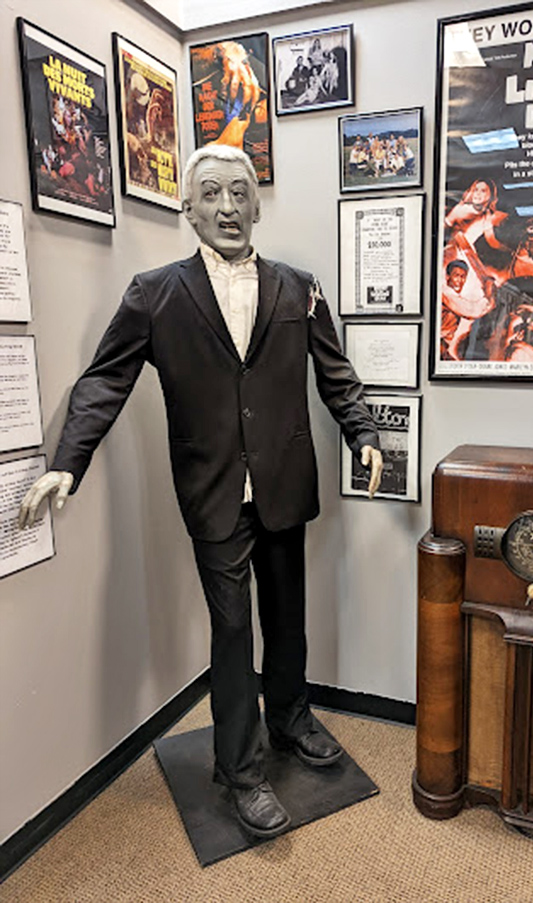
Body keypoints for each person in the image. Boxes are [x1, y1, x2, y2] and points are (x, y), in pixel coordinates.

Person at [18, 145, 383, 841]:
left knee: (288, 613)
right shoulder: (154, 293)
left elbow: (337, 375)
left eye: (240, 193)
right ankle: (240, 771)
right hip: (212, 487)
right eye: (210, 194)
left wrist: (363, 431)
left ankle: (291, 718)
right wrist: (69, 459)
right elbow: (104, 381)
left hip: (283, 480)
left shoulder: (299, 286)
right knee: (232, 627)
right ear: (188, 208)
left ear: (256, 203)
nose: (227, 207)